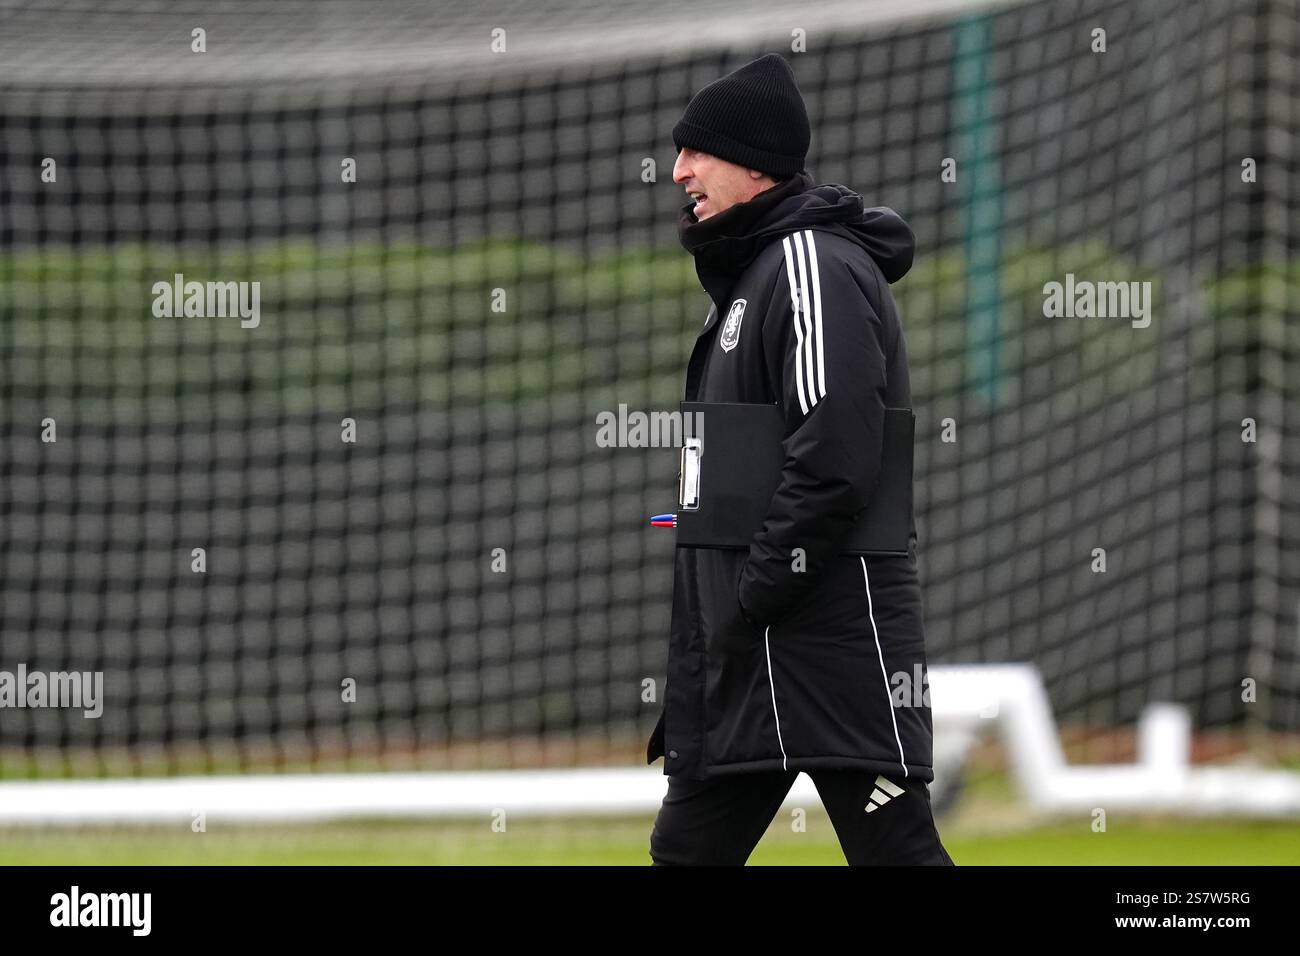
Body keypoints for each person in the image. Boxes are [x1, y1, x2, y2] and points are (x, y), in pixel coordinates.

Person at [646, 53, 953, 866]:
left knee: (898, 854)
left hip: (826, 639)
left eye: (694, 151)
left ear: (752, 161)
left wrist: (759, 587)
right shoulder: (756, 271)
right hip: (756, 649)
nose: (677, 171)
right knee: (685, 855)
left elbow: (836, 446)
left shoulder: (811, 262)